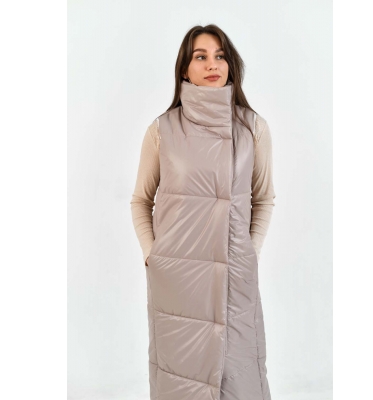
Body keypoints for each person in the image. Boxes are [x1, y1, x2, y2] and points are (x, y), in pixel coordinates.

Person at [130, 24, 276, 400]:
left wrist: (249, 251)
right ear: (185, 69)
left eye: (220, 56)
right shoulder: (162, 130)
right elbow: (141, 200)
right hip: (176, 282)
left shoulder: (253, 128)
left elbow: (263, 199)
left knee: (240, 377)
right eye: (201, 56)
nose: (213, 64)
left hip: (235, 278)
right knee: (181, 380)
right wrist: (152, 255)